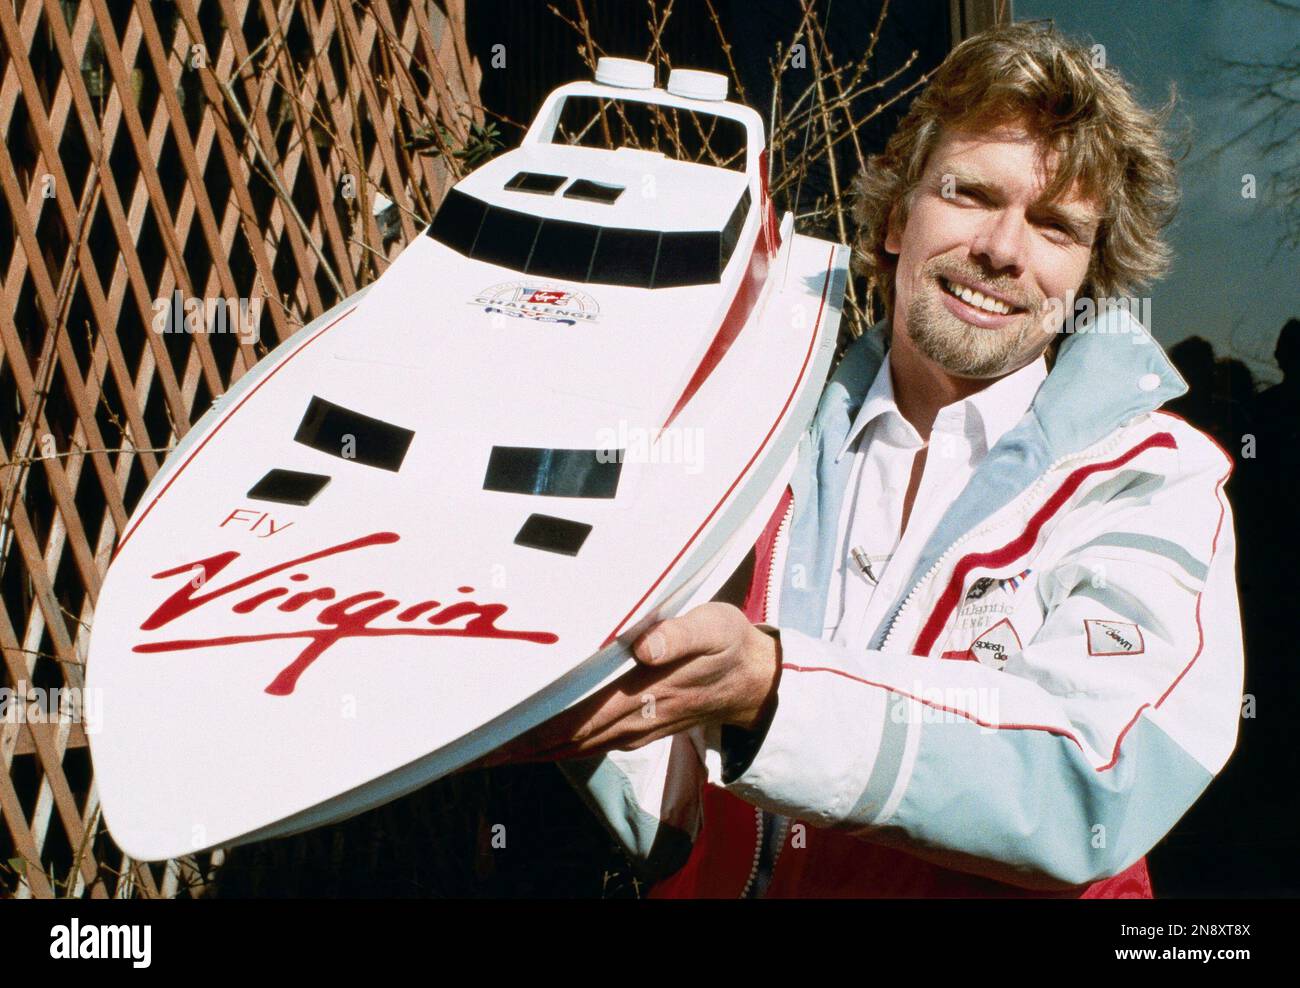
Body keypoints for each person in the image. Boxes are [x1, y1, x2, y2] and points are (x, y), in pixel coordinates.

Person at [495, 22, 1244, 897]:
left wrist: (773, 690)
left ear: (1087, 273)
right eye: (969, 195)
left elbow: (1097, 783)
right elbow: (675, 756)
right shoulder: (759, 438)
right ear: (895, 217)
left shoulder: (1153, 481)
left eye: (1054, 226)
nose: (1003, 250)